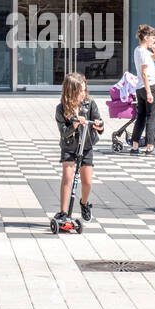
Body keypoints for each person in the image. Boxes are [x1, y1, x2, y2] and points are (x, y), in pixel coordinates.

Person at [55, 72, 104, 222]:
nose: (83, 94)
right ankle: (64, 212)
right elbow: (64, 132)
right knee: (67, 178)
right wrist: (75, 124)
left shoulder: (90, 104)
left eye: (84, 90)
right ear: (71, 91)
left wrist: (99, 125)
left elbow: (100, 123)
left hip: (86, 145)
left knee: (87, 181)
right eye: (80, 91)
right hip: (69, 147)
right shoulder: (61, 109)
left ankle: (84, 203)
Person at [128, 24, 155, 155]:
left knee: (140, 116)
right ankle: (150, 146)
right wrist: (149, 92)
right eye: (152, 37)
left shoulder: (138, 50)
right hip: (149, 86)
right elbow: (144, 73)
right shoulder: (144, 53)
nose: (154, 40)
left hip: (139, 88)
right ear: (146, 38)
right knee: (152, 117)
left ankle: (135, 146)